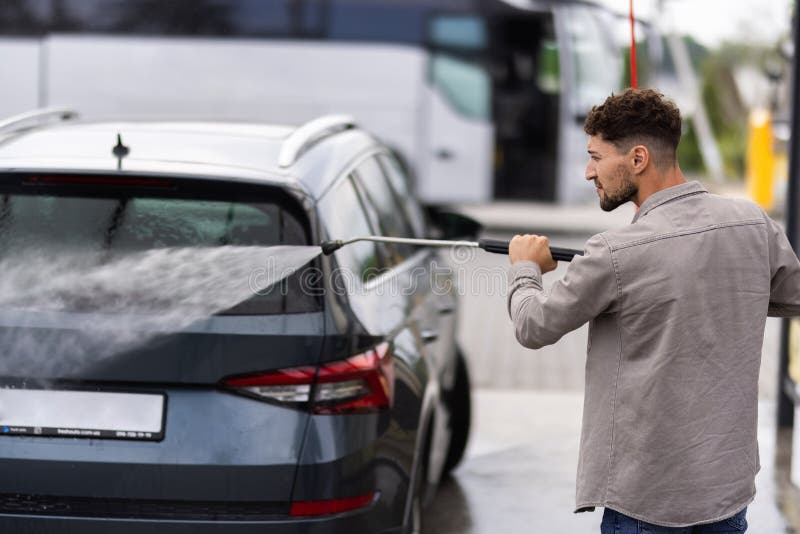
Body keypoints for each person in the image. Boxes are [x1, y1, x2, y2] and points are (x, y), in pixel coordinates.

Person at [507, 88, 800, 533]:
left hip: (646, 503)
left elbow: (532, 325)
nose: (589, 172)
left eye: (596, 156)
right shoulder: (753, 223)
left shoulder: (613, 252)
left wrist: (526, 267)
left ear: (638, 158)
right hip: (726, 495)